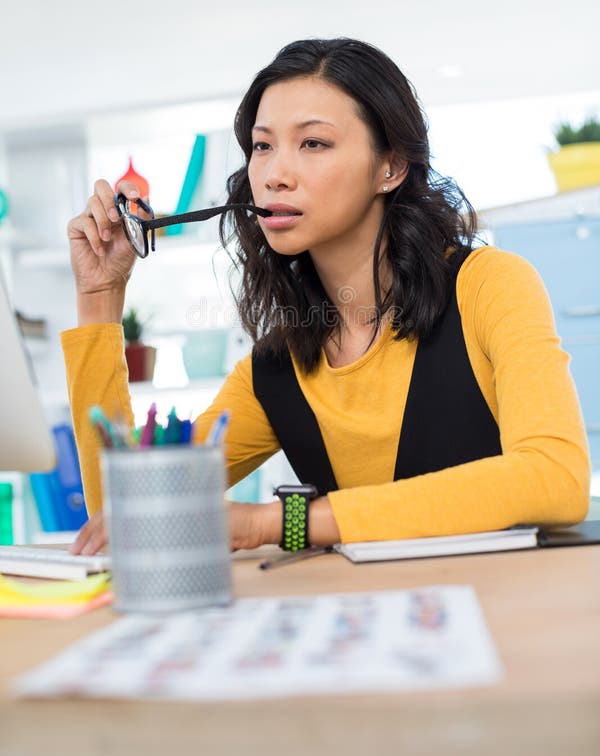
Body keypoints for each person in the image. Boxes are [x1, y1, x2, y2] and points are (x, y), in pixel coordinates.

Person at [66, 37, 590, 556]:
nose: (275, 175)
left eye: (313, 143)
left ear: (390, 167)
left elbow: (556, 476)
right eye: (263, 146)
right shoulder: (276, 367)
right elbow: (123, 516)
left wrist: (273, 523)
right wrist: (100, 295)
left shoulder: (490, 286)